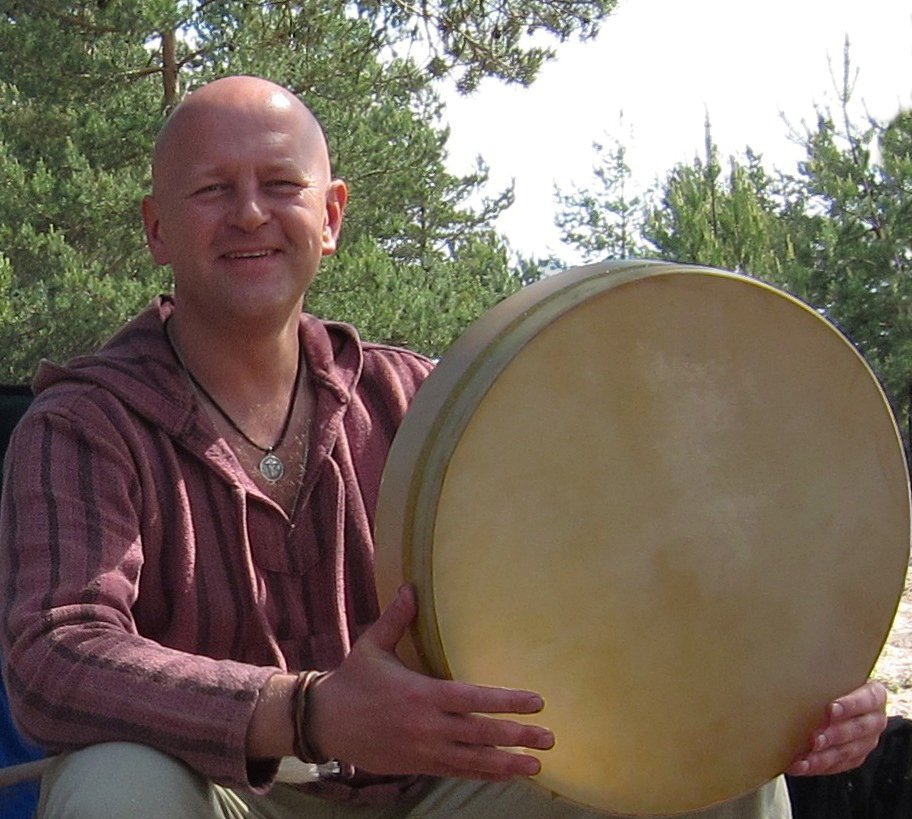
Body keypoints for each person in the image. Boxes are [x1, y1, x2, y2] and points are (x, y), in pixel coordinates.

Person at [0, 75, 889, 819]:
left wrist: (803, 689)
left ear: (331, 215)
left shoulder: (430, 400)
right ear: (157, 227)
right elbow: (55, 655)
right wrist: (306, 713)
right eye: (211, 190)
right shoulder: (83, 423)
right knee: (116, 780)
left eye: (280, 184)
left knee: (707, 758)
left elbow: (619, 573)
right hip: (231, 796)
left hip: (447, 792)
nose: (249, 214)